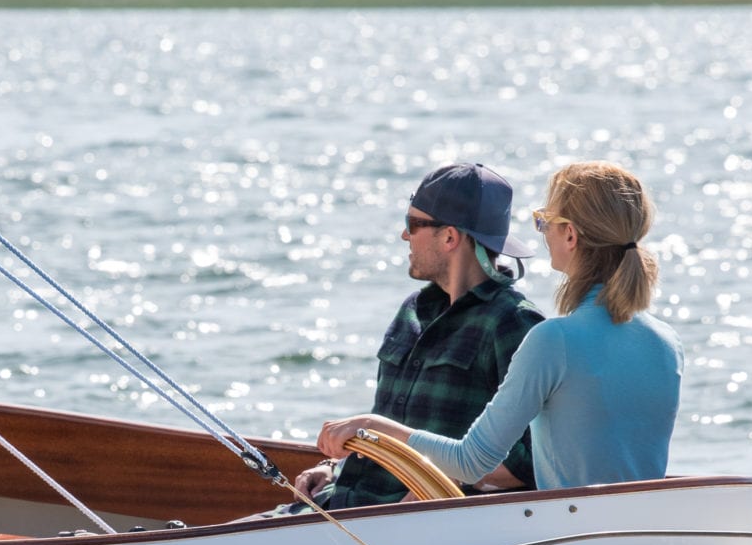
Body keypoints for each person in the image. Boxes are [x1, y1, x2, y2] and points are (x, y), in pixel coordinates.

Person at [317, 161, 681, 493]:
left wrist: (373, 428)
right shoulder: (668, 342)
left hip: (566, 542)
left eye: (544, 222)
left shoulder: (553, 340)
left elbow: (471, 462)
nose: (542, 233)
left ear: (570, 235)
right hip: (639, 539)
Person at [291, 162, 544, 509]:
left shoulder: (513, 323)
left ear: (450, 237)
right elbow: (396, 423)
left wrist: (440, 483)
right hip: (342, 502)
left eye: (412, 224)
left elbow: (531, 460)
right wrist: (335, 467)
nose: (404, 236)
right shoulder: (412, 310)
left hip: (401, 526)